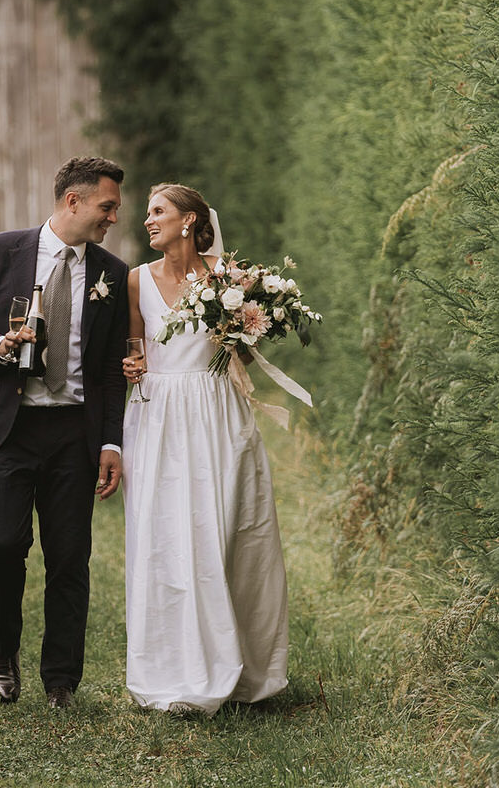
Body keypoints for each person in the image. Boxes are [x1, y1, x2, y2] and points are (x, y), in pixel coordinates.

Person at [0, 156, 131, 709]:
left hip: (74, 432)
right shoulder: (0, 251)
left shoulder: (112, 273)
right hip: (8, 427)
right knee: (4, 545)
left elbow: (110, 369)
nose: (113, 218)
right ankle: (5, 654)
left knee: (69, 557)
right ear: (73, 201)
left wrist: (111, 441)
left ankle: (61, 681)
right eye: (107, 207)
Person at [119, 182, 289, 714]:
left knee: (226, 531)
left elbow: (245, 349)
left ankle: (240, 669)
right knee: (163, 535)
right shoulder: (135, 280)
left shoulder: (228, 279)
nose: (148, 220)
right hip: (157, 415)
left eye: (158, 211)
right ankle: (172, 669)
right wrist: (131, 364)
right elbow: (134, 348)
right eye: (149, 213)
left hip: (216, 412)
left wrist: (244, 329)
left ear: (189, 220)